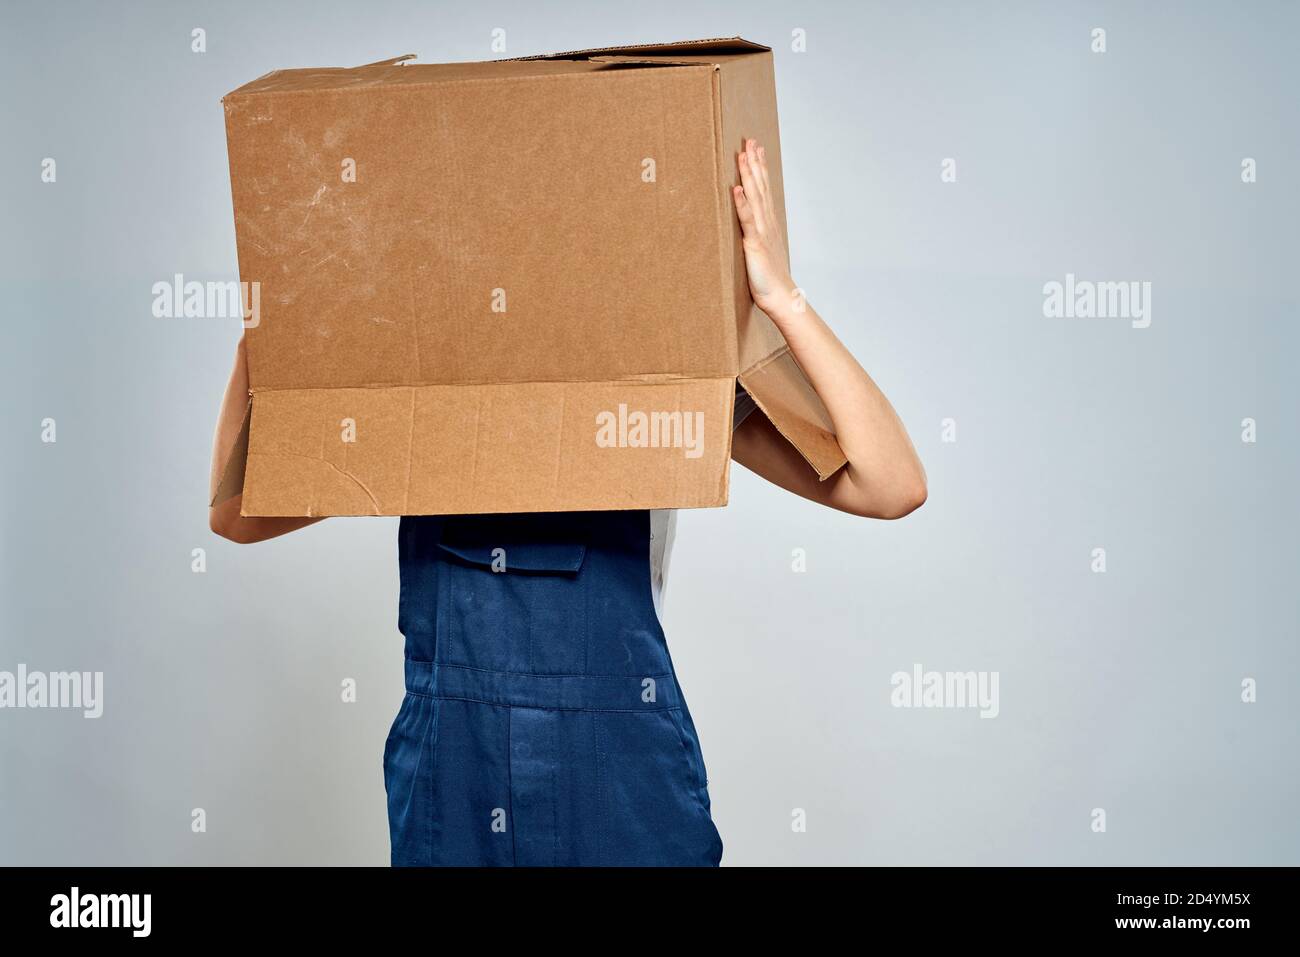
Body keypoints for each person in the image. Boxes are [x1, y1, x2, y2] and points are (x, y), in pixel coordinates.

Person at [209, 140, 926, 866]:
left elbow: (891, 482)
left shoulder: (657, 391)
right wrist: (272, 317)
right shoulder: (418, 404)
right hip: (455, 781)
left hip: (620, 784)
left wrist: (780, 298)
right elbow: (236, 512)